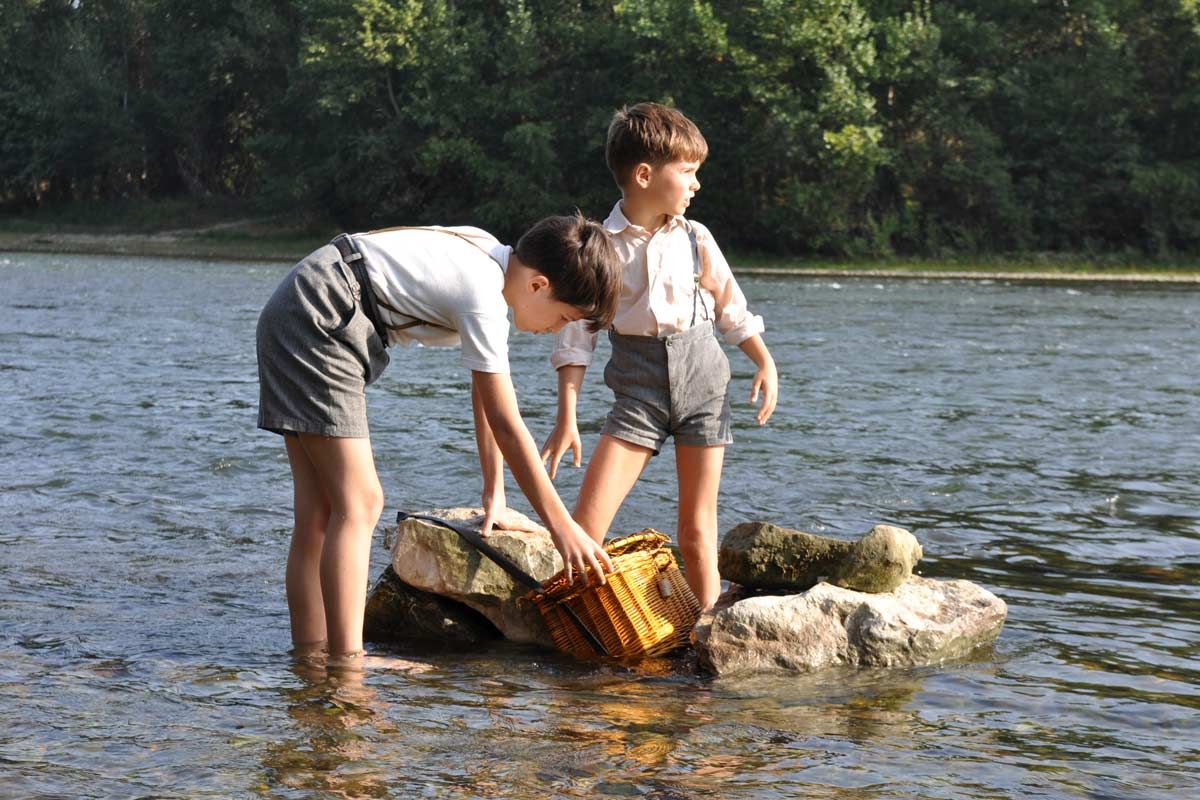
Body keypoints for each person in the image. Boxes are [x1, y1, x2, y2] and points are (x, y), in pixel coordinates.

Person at [256, 215, 622, 658]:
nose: (556, 330)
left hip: (304, 300)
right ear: (538, 285)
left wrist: (495, 494)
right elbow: (507, 422)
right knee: (361, 502)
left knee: (318, 512)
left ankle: (312, 661)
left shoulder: (489, 257)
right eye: (564, 317)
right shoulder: (483, 295)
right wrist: (561, 527)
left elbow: (485, 397)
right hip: (323, 314)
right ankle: (348, 671)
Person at [540, 103, 779, 611]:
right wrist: (567, 418)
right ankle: (579, 626)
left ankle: (709, 637)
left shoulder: (697, 238)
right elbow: (577, 338)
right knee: (586, 526)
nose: (696, 185)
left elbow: (731, 306)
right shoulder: (601, 248)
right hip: (637, 395)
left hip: (704, 388)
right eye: (688, 173)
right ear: (645, 175)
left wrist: (764, 360)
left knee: (696, 531)